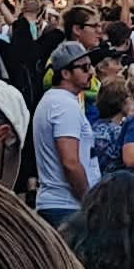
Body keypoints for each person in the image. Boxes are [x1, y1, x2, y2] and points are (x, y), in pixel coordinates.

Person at [36, 44, 100, 226]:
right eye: (84, 68)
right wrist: (89, 201)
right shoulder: (63, 105)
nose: (92, 72)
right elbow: (70, 162)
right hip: (66, 206)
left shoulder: (57, 101)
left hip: (61, 204)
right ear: (65, 73)